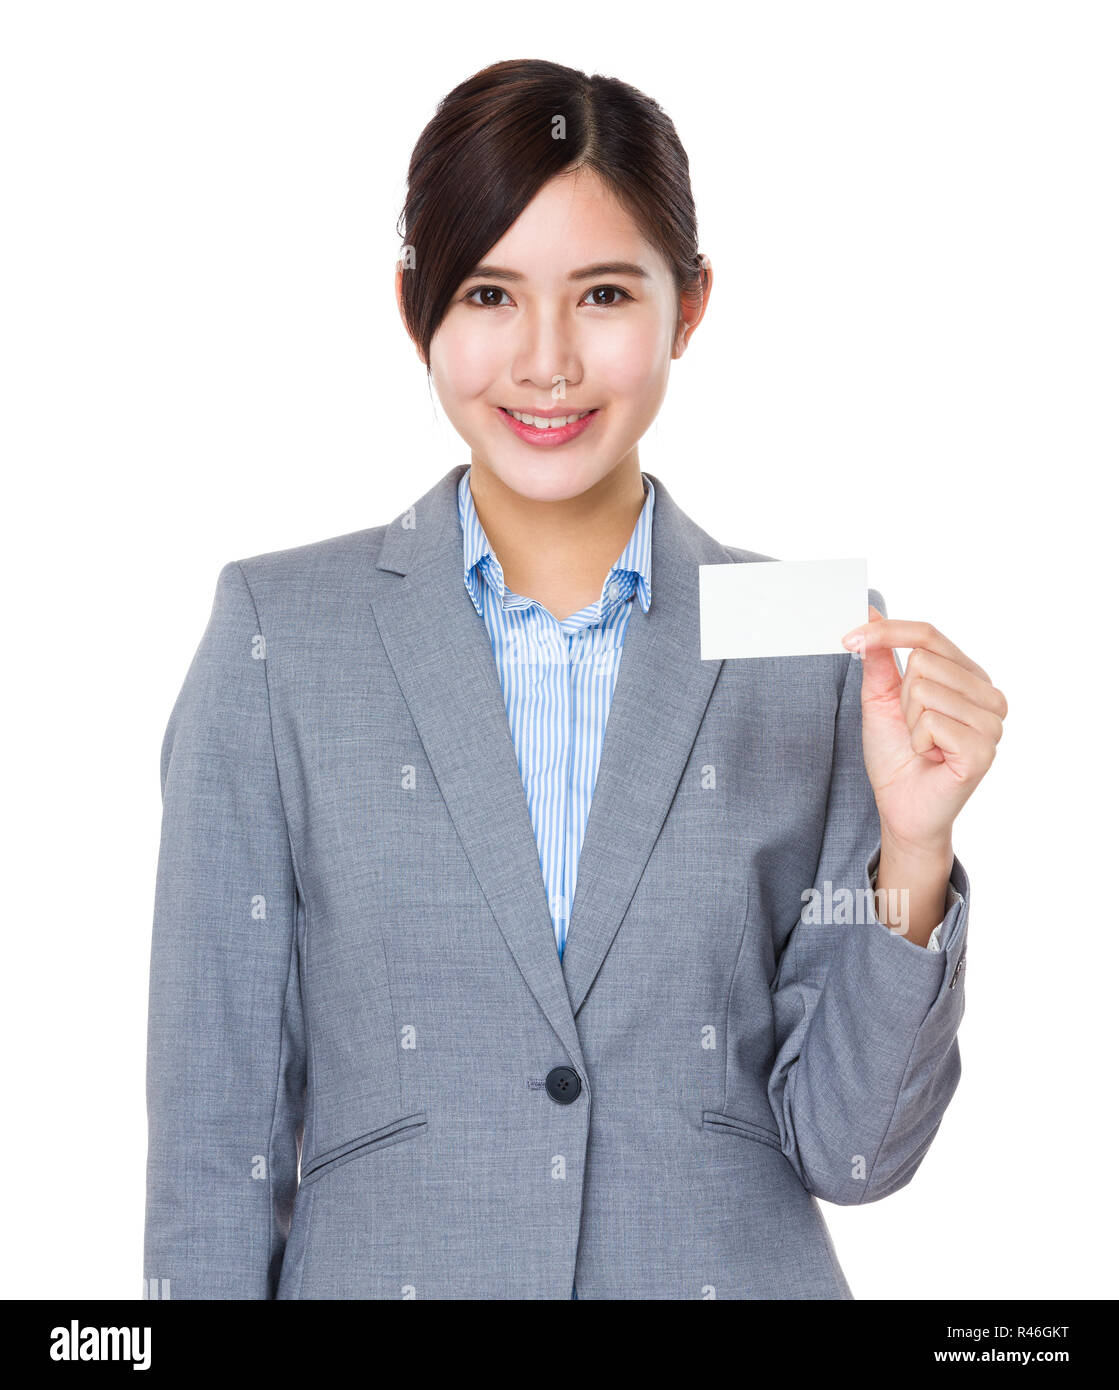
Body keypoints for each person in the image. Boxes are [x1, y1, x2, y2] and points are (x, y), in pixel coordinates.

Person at [143, 58, 1006, 1300]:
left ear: (689, 307)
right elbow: (211, 1146)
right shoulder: (280, 634)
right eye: (491, 293)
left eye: (603, 292)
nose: (546, 361)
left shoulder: (816, 639)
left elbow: (852, 1149)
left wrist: (912, 858)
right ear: (415, 309)